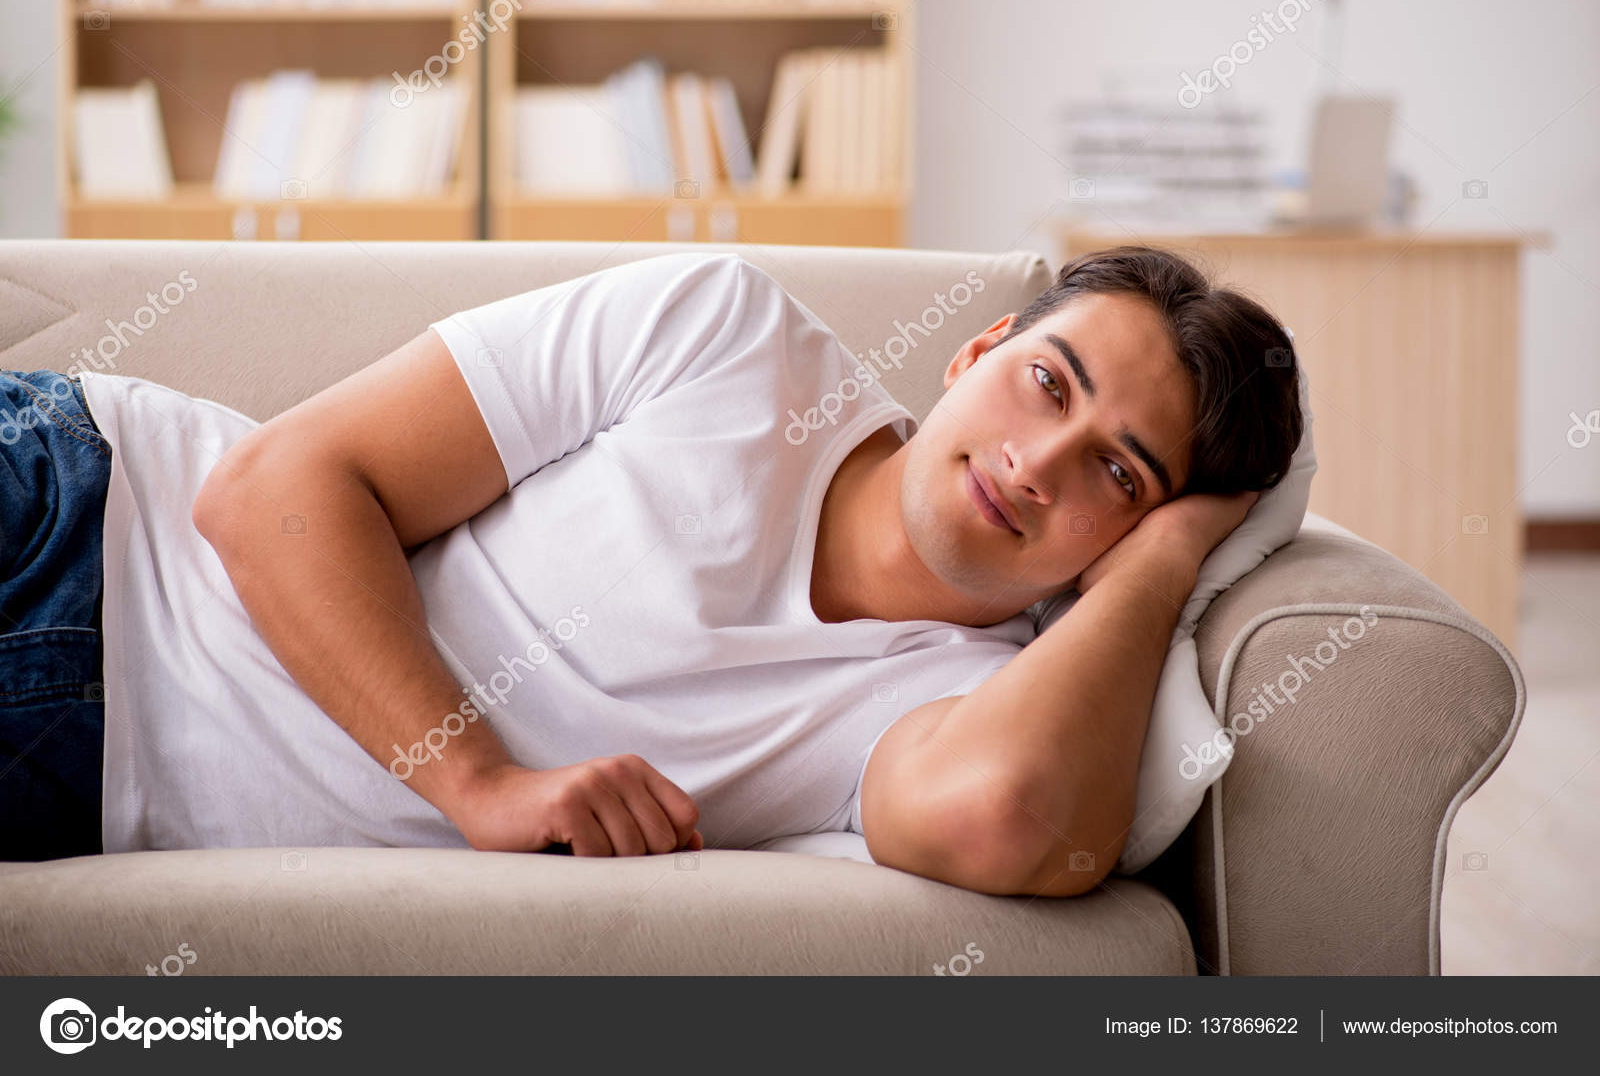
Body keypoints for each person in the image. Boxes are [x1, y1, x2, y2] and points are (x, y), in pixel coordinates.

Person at [0, 246, 1298, 896]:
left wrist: (1174, 554)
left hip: (72, 771)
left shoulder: (944, 704)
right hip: (82, 510)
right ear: (974, 355)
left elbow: (1005, 815)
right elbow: (270, 487)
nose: (1040, 462)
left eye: (1118, 474)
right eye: (1045, 385)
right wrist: (479, 780)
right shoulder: (724, 335)